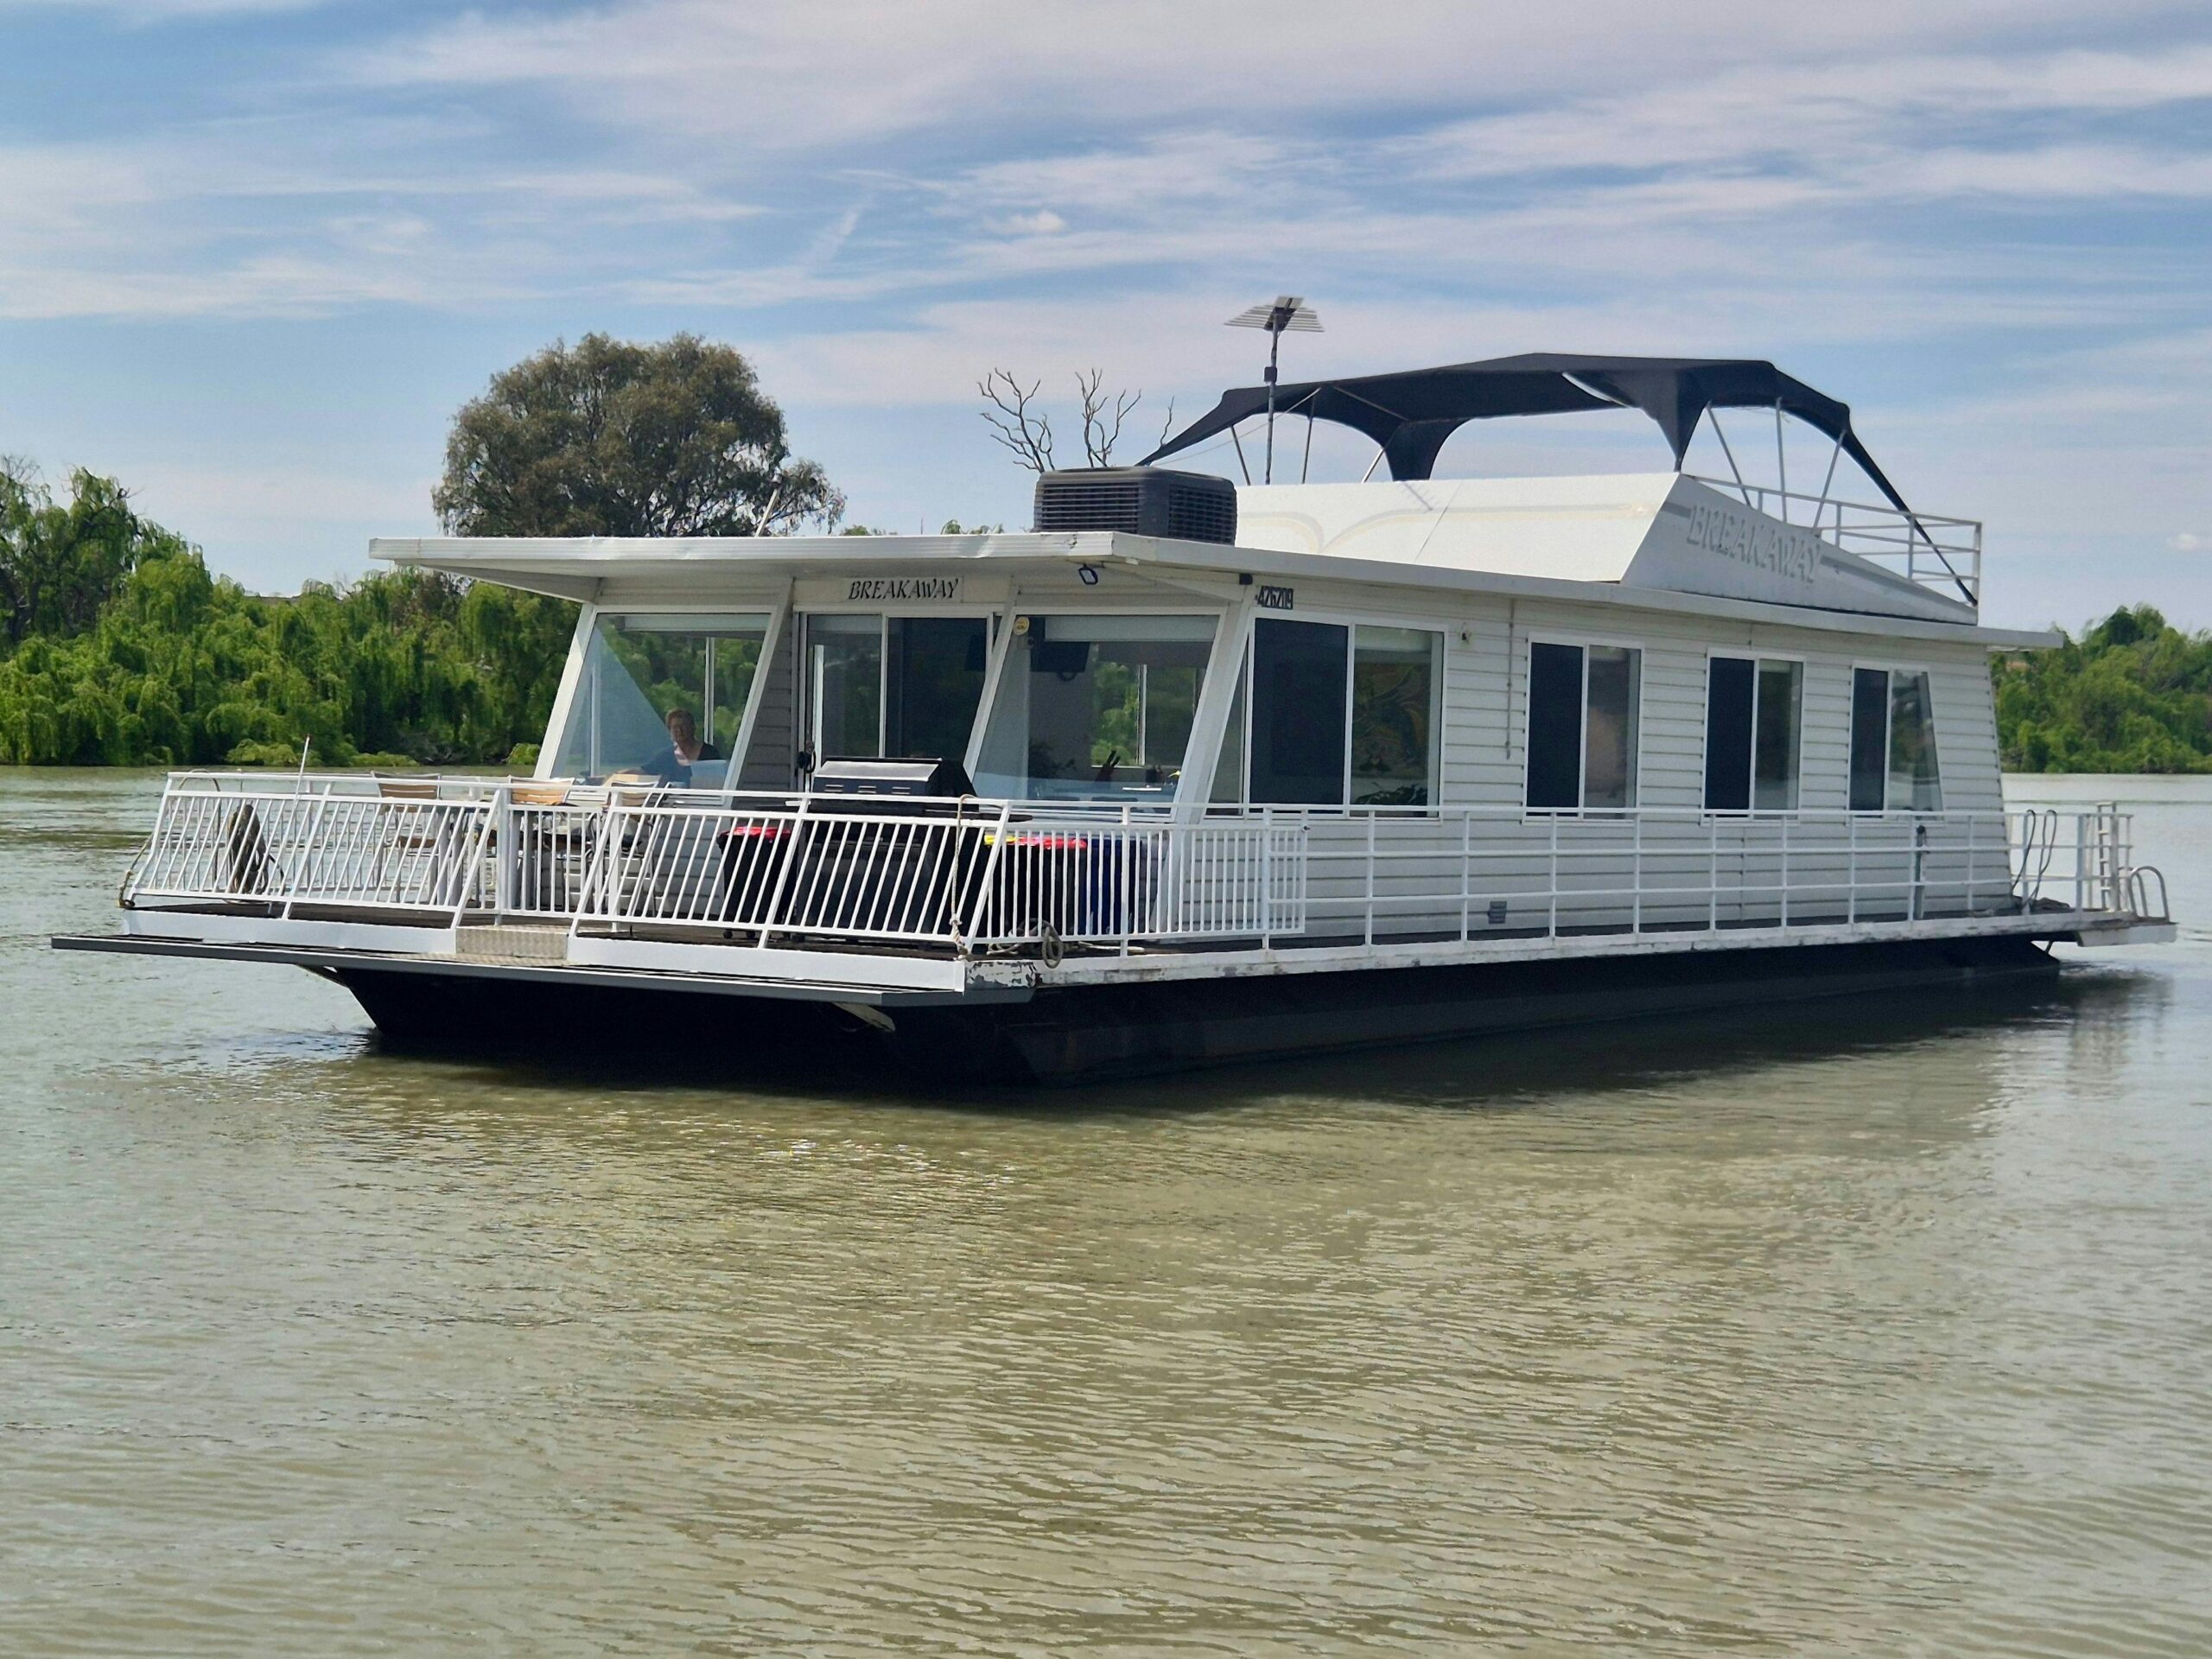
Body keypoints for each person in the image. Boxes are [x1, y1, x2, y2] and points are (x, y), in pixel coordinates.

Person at [645, 707, 723, 785]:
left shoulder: (710, 753)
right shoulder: (665, 756)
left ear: (692, 727)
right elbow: (644, 772)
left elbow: (720, 781)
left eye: (683, 726)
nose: (679, 730)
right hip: (672, 797)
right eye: (675, 727)